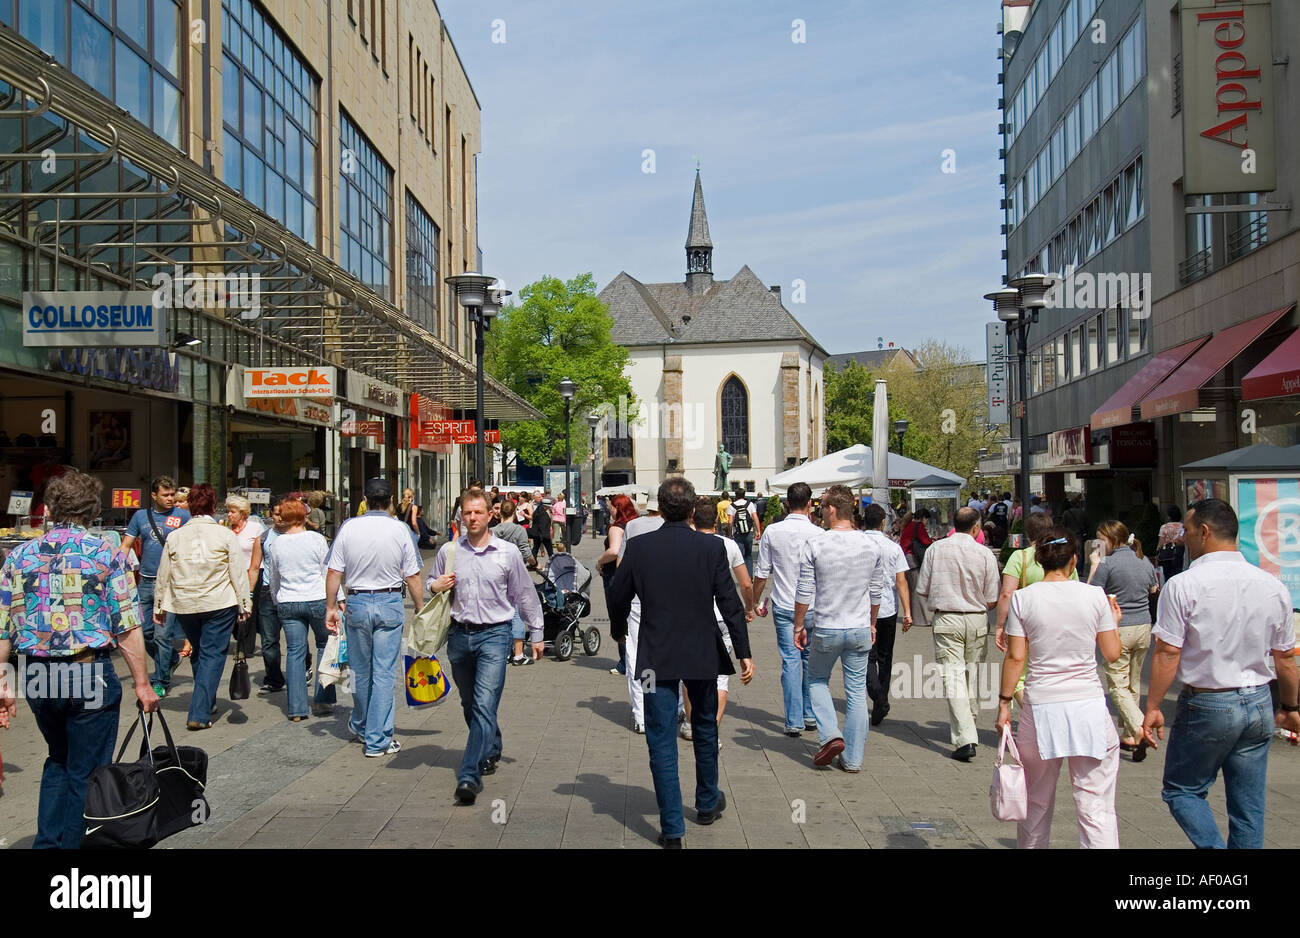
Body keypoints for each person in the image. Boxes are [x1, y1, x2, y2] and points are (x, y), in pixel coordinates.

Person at [0, 471, 159, 848]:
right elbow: (127, 628)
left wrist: (3, 682)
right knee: (85, 770)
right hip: (86, 670)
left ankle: (47, 843)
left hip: (35, 672)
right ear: (92, 510)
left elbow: (3, 627)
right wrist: (142, 683)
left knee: (57, 759)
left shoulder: (18, 556)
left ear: (50, 509)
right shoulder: (106, 555)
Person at [1141, 498, 1297, 849]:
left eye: (1188, 531)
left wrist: (1152, 707)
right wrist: (1290, 705)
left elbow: (1168, 652)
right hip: (1258, 699)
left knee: (1182, 789)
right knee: (1249, 805)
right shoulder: (1272, 585)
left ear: (1205, 532)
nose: (1184, 538)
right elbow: (1285, 656)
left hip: (1208, 701)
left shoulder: (1183, 585)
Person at [607, 478, 753, 847]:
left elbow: (617, 594)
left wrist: (618, 630)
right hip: (702, 654)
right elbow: (730, 602)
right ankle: (706, 801)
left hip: (656, 658)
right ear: (692, 511)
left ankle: (672, 827)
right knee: (704, 724)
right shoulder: (711, 548)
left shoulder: (638, 547)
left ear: (659, 507)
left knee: (660, 735)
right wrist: (743, 650)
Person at [995, 529, 1123, 848]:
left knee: (1036, 802)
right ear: (1074, 560)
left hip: (1041, 707)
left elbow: (1015, 657)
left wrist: (1004, 704)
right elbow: (1111, 653)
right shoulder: (1094, 596)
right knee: (1096, 806)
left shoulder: (1025, 598)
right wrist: (1114, 623)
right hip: (1088, 706)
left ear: (1039, 559)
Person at [428, 488, 544, 805]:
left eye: (479, 512)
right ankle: (491, 746)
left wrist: (536, 632)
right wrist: (435, 585)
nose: (473, 517)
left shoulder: (507, 552)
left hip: (495, 635)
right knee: (470, 704)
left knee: (484, 703)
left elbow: (524, 594)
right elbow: (432, 583)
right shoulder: (449, 551)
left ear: (490, 514)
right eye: (468, 512)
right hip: (459, 636)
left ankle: (469, 774)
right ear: (461, 516)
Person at [325, 478, 424, 757]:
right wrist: (420, 608)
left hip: (356, 601)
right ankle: (377, 739)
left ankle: (361, 723)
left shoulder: (348, 527)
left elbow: (334, 572)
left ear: (366, 500)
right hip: (390, 601)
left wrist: (331, 606)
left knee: (359, 670)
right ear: (392, 500)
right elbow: (413, 575)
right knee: (382, 673)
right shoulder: (400, 529)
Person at [794, 485, 888, 772]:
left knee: (817, 680)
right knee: (857, 691)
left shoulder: (817, 544)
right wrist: (872, 623)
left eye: (822, 507)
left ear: (832, 509)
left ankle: (831, 735)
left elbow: (804, 590)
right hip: (859, 626)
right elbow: (876, 592)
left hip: (828, 626)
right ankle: (853, 759)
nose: (820, 513)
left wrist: (799, 624)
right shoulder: (872, 545)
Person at [155, 483, 252, 731]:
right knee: (212, 654)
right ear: (212, 506)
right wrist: (244, 602)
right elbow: (237, 572)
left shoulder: (175, 536)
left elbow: (163, 572)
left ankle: (206, 702)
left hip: (185, 603)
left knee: (200, 650)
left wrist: (159, 605)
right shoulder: (224, 535)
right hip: (219, 601)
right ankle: (199, 712)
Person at [914, 506, 1000, 761]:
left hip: (946, 617)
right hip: (976, 619)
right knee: (971, 674)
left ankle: (965, 736)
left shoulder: (936, 550)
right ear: (976, 527)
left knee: (953, 677)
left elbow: (923, 589)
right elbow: (992, 598)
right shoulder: (985, 554)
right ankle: (968, 724)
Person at [752, 482, 823, 736]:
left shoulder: (773, 531)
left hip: (784, 604)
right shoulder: (819, 534)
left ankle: (794, 720)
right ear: (809, 503)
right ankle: (809, 714)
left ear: (786, 502)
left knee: (791, 661)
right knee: (810, 661)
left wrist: (753, 601)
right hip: (814, 605)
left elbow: (761, 572)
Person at [681, 499, 754, 743]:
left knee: (688, 674)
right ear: (716, 520)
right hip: (723, 618)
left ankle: (692, 726)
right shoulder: (729, 545)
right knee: (720, 678)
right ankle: (711, 729)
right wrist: (750, 606)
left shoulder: (685, 545)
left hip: (692, 616)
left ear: (692, 517)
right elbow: (745, 582)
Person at [1089, 520, 1159, 761]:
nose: (1099, 544)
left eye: (1101, 539)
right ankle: (1129, 734)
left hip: (1119, 627)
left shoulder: (1107, 564)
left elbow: (1092, 594)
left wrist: (1094, 565)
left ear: (1111, 540)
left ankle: (1140, 729)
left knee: (1117, 685)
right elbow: (1153, 589)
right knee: (1133, 682)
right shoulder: (1143, 559)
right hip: (1144, 626)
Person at [264, 497, 336, 721]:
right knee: (325, 645)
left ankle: (296, 709)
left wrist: (277, 599)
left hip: (288, 601)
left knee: (295, 652)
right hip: (316, 597)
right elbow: (327, 571)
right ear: (304, 515)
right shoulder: (316, 539)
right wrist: (336, 600)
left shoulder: (276, 544)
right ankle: (322, 700)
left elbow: (274, 577)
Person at [120, 474, 190, 697]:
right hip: (146, 581)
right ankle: (170, 658)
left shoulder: (183, 516)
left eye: (173, 494)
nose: (171, 498)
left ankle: (160, 680)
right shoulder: (140, 516)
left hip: (170, 583)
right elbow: (126, 545)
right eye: (166, 495)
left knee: (162, 634)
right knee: (145, 631)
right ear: (154, 495)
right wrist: (117, 570)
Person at [861, 503, 912, 726]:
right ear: (883, 523)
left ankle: (877, 695)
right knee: (885, 657)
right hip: (888, 609)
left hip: (862, 609)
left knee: (866, 656)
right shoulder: (893, 547)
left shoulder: (858, 543)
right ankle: (881, 698)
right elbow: (901, 581)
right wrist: (908, 612)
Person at [617, 497, 663, 732]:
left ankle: (642, 714)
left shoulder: (633, 526)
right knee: (667, 655)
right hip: (667, 600)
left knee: (638, 656)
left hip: (638, 599)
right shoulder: (674, 525)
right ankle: (670, 708)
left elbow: (620, 562)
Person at [248, 497, 289, 694]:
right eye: (275, 514)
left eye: (282, 514)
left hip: (292, 593)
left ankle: (303, 667)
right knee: (268, 639)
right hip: (267, 593)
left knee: (295, 639)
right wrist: (248, 594)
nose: (279, 518)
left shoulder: (299, 536)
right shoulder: (263, 538)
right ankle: (273, 678)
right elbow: (254, 568)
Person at [596, 494, 639, 676]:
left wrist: (599, 561)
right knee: (633, 617)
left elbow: (614, 551)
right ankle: (635, 658)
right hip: (635, 573)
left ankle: (624, 662)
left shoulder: (616, 528)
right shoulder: (636, 524)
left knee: (619, 617)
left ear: (618, 508)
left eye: (611, 507)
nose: (609, 510)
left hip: (615, 574)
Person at [491, 500, 536, 666]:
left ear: (500, 512)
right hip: (515, 575)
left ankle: (502, 651)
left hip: (496, 575)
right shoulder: (519, 530)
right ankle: (518, 654)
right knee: (516, 612)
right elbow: (526, 552)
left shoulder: (492, 531)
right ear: (514, 513)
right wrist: (534, 563)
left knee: (499, 613)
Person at [728, 488, 760, 575]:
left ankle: (742, 577)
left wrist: (730, 533)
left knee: (739, 557)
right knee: (748, 555)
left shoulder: (732, 506)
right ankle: (750, 577)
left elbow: (730, 522)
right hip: (749, 532)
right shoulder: (750, 504)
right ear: (744, 495)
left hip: (738, 533)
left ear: (736, 495)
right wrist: (758, 531)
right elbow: (755, 517)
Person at [1156, 505, 1186, 585]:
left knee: (1167, 575)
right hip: (1179, 552)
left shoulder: (1164, 527)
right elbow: (1184, 540)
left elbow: (1161, 543)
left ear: (1169, 516)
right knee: (1178, 572)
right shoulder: (1182, 526)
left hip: (1166, 555)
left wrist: (1157, 554)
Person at [529, 490, 554, 567]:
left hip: (536, 534)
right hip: (543, 535)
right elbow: (542, 526)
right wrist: (543, 536)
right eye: (548, 506)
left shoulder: (537, 510)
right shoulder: (543, 514)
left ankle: (532, 563)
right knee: (550, 550)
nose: (548, 508)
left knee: (535, 549)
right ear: (545, 506)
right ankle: (554, 563)